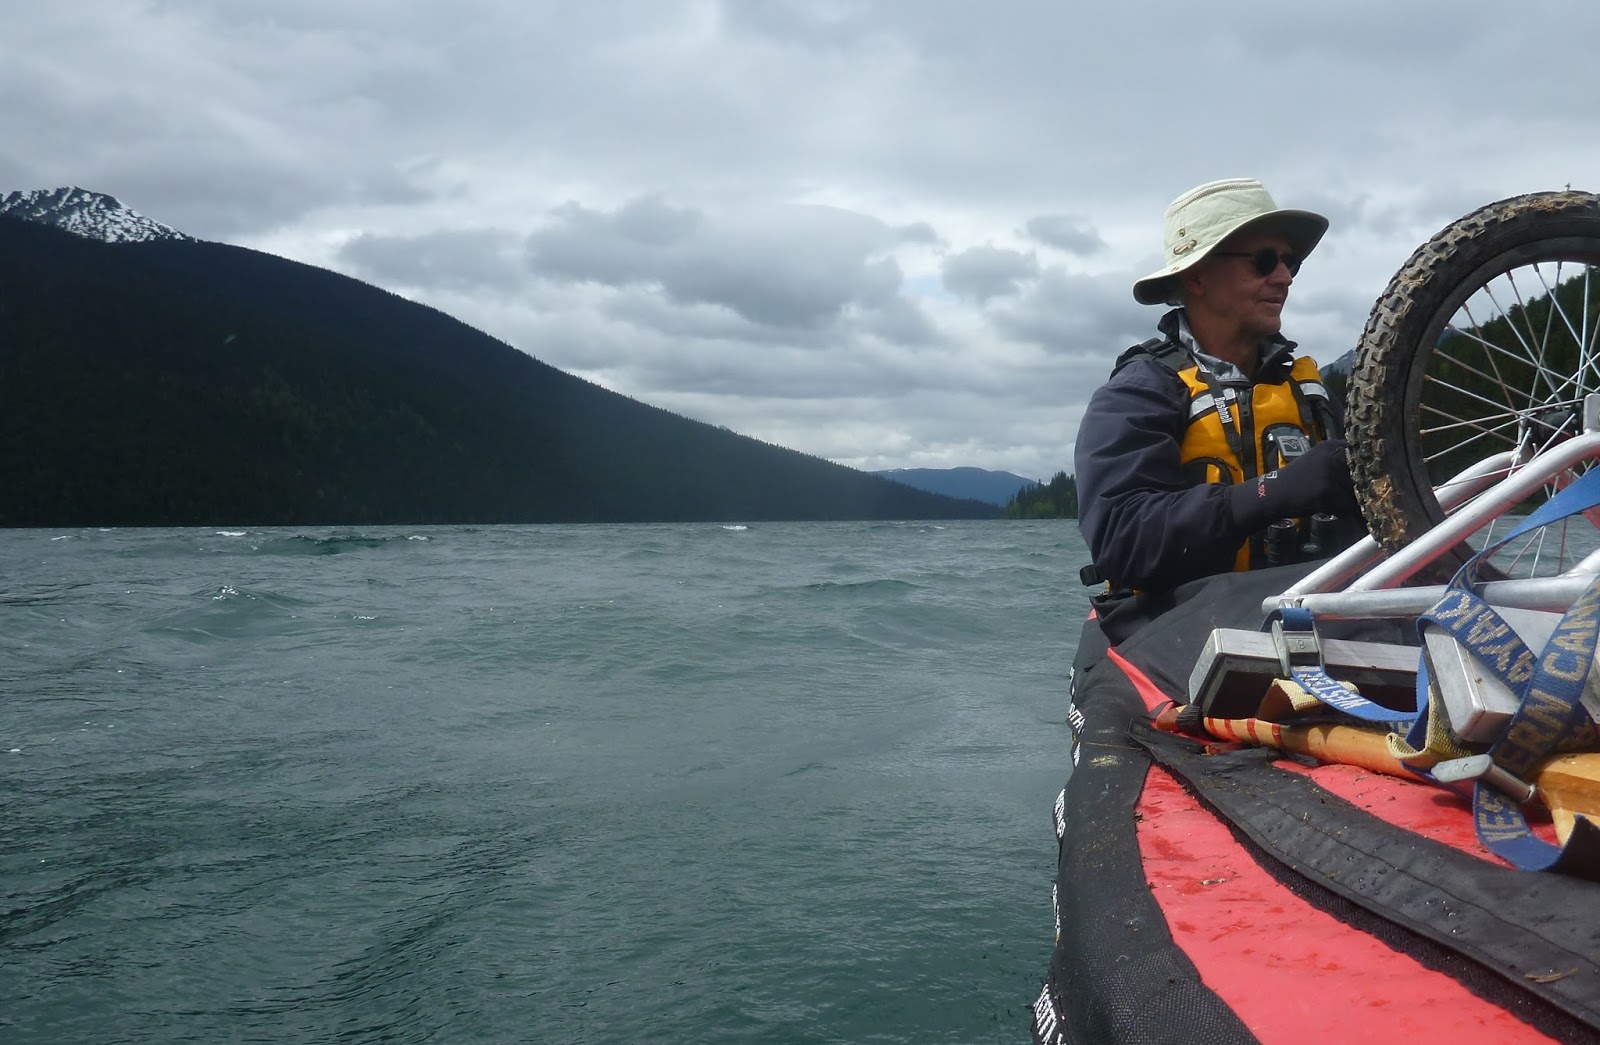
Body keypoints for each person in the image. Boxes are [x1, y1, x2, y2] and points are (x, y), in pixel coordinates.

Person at [1075, 178, 1359, 632]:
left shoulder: (1312, 393)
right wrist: (1268, 494)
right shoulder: (1137, 393)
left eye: (1290, 263)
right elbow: (1121, 539)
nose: (1283, 277)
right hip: (1179, 628)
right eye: (1264, 261)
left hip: (1313, 617)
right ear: (1197, 276)